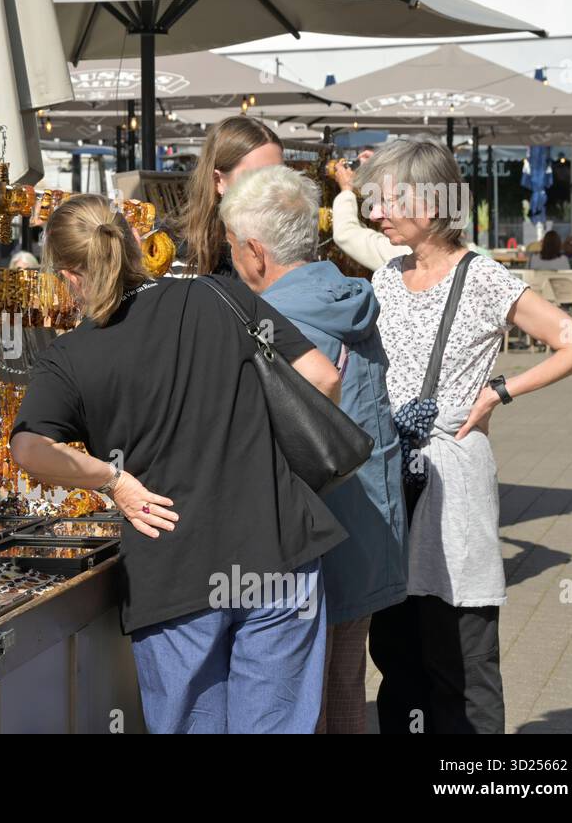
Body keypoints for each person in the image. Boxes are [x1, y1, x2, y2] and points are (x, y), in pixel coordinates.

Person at [9, 193, 346, 734]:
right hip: (277, 550)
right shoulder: (220, 295)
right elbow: (324, 377)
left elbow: (29, 449)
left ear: (69, 276)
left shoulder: (70, 357)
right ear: (135, 242)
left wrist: (114, 480)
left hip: (175, 569)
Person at [356, 139, 572, 734]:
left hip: (453, 481)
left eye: (387, 200)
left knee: (462, 655)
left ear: (429, 199)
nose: (375, 213)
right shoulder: (386, 276)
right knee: (396, 653)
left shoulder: (485, 276)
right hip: (393, 476)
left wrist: (499, 392)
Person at [222, 165, 408, 734]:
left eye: (231, 247)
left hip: (310, 543)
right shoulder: (351, 297)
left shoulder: (270, 321)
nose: (230, 259)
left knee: (303, 704)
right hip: (371, 529)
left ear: (256, 251)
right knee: (345, 685)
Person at [178, 115, 283, 276]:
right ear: (218, 181)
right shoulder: (180, 260)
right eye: (255, 178)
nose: (271, 191)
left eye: (280, 177)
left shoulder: (290, 251)